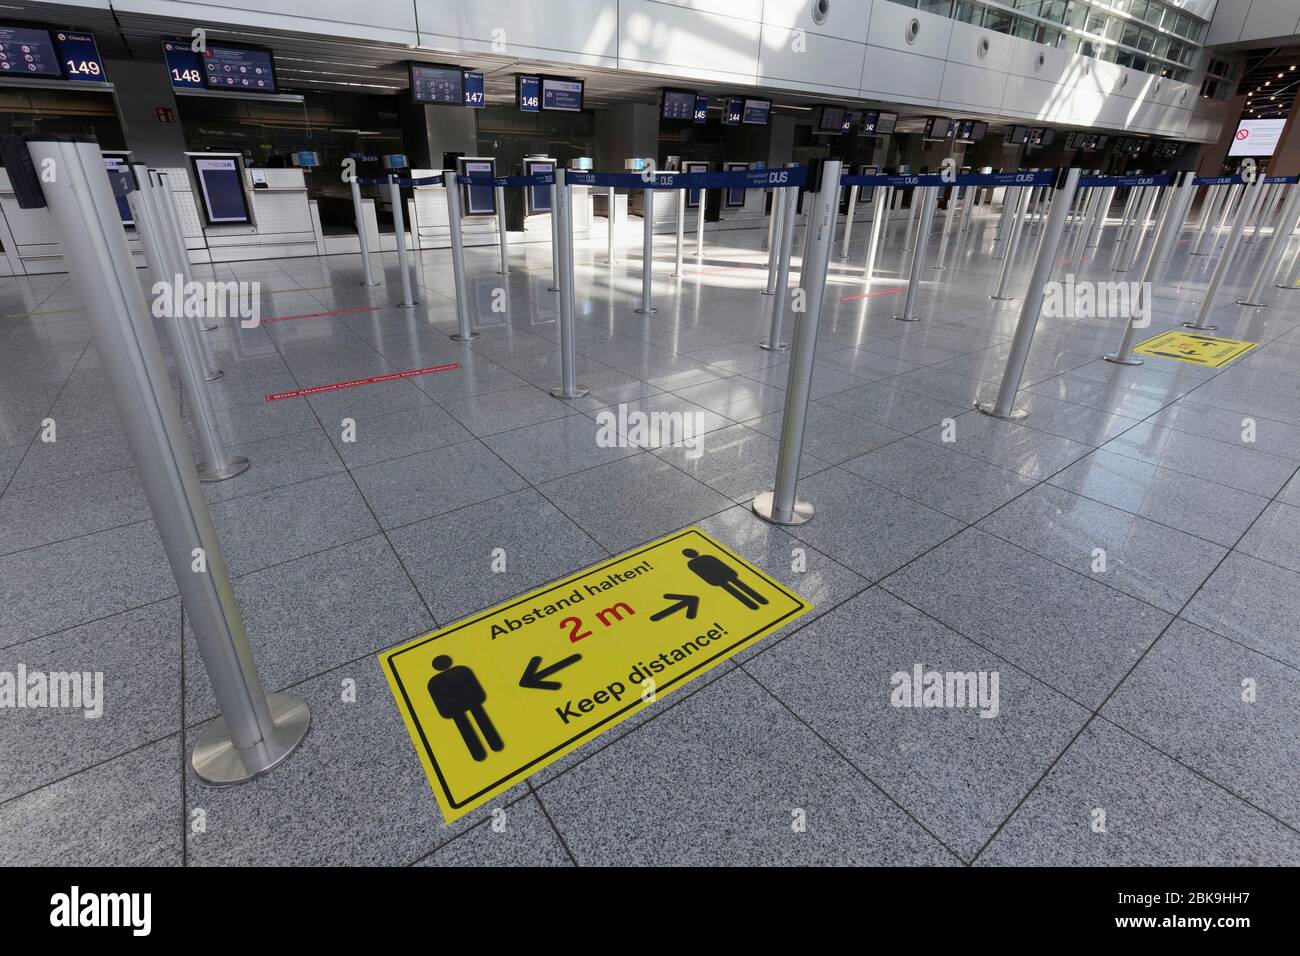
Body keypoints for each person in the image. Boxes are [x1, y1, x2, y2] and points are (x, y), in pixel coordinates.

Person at [427, 655, 503, 761]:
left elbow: (438, 700)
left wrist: (446, 711)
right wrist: (479, 698)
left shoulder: (433, 681)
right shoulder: (461, 670)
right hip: (471, 703)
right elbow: (476, 687)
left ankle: (480, 753)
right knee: (483, 724)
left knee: (467, 730)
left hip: (456, 708)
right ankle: (495, 745)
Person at [681, 547, 768, 610]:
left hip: (718, 579)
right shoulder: (706, 557)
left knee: (734, 591)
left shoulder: (692, 563)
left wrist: (712, 581)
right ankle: (760, 601)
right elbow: (721, 565)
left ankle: (752, 605)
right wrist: (732, 573)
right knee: (743, 587)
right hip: (726, 575)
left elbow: (703, 573)